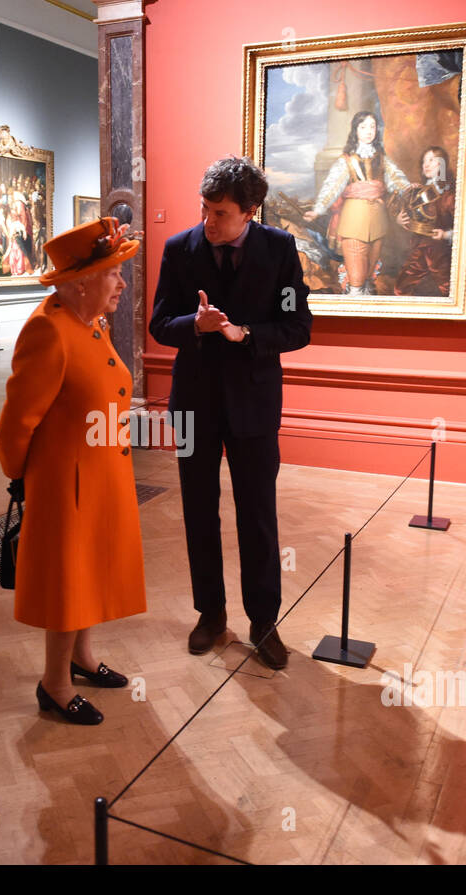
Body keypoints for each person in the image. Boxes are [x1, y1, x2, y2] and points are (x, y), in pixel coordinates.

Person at [149, 157, 312, 669]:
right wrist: (194, 326)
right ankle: (211, 613)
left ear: (250, 211)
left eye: (220, 212)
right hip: (194, 406)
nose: (208, 221)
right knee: (199, 511)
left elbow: (297, 326)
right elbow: (158, 323)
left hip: (254, 405)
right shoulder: (180, 250)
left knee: (258, 516)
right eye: (204, 208)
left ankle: (263, 622)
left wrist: (247, 335)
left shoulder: (280, 250)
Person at [0, 217, 146, 725]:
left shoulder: (89, 322)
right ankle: (54, 684)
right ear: (81, 282)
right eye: (114, 273)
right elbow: (17, 422)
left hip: (101, 475)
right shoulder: (49, 330)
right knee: (68, 583)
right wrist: (23, 476)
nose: (122, 283)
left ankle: (82, 660)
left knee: (90, 573)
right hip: (66, 484)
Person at [305, 111, 410, 295]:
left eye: (372, 126)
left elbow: (398, 181)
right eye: (363, 127)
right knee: (356, 273)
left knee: (370, 270)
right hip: (354, 218)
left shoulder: (382, 159)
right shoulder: (347, 160)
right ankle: (354, 296)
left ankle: (366, 304)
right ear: (356, 130)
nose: (369, 131)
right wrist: (318, 209)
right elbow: (332, 186)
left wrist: (411, 189)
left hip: (378, 221)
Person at [392, 146, 455, 297]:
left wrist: (445, 235)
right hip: (420, 248)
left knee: (450, 290)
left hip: (441, 252)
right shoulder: (419, 190)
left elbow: (465, 228)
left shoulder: (450, 195)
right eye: (424, 161)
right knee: (401, 289)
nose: (425, 165)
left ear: (442, 164)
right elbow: (413, 219)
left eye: (431, 160)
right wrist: (399, 220)